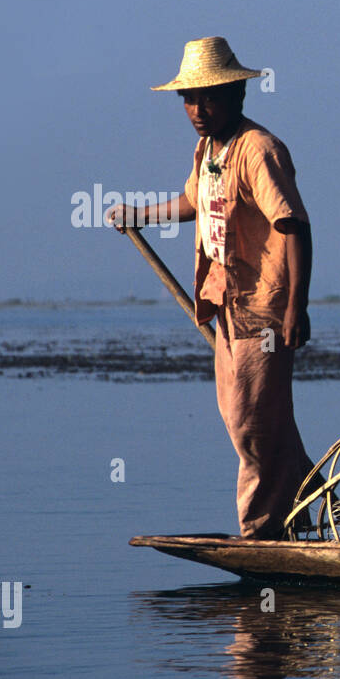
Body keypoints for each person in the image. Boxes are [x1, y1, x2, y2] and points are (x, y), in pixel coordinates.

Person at [106, 36, 317, 539]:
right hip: (226, 307)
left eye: (209, 98)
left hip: (264, 309)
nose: (197, 109)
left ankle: (260, 534)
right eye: (189, 98)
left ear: (236, 97)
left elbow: (294, 226)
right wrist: (139, 215)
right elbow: (192, 202)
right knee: (264, 424)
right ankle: (309, 512)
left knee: (251, 427)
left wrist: (295, 307)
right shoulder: (209, 149)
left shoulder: (258, 150)